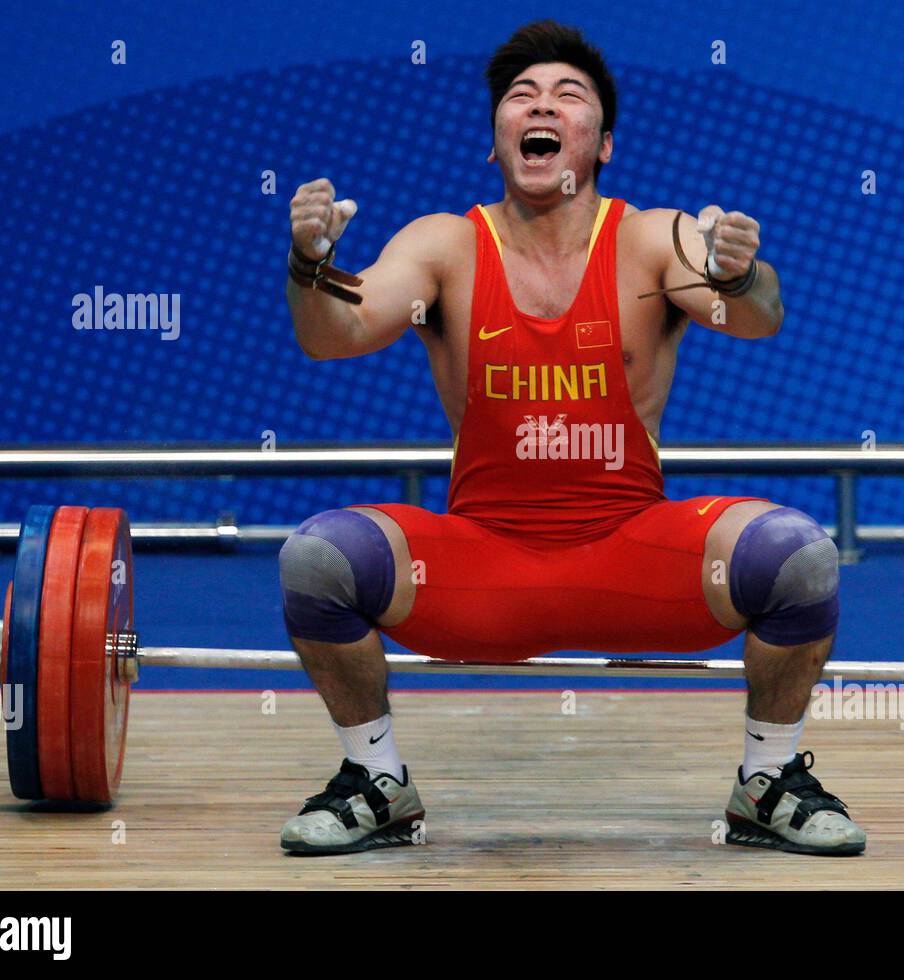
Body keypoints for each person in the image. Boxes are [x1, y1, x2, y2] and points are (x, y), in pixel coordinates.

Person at [278, 19, 863, 857]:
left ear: (602, 145)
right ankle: (377, 780)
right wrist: (308, 266)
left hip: (633, 556)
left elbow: (758, 318)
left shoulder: (651, 237)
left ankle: (765, 784)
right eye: (521, 96)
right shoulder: (443, 245)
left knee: (800, 555)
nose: (540, 106)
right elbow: (331, 334)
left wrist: (740, 275)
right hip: (482, 564)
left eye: (567, 96)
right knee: (316, 559)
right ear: (497, 141)